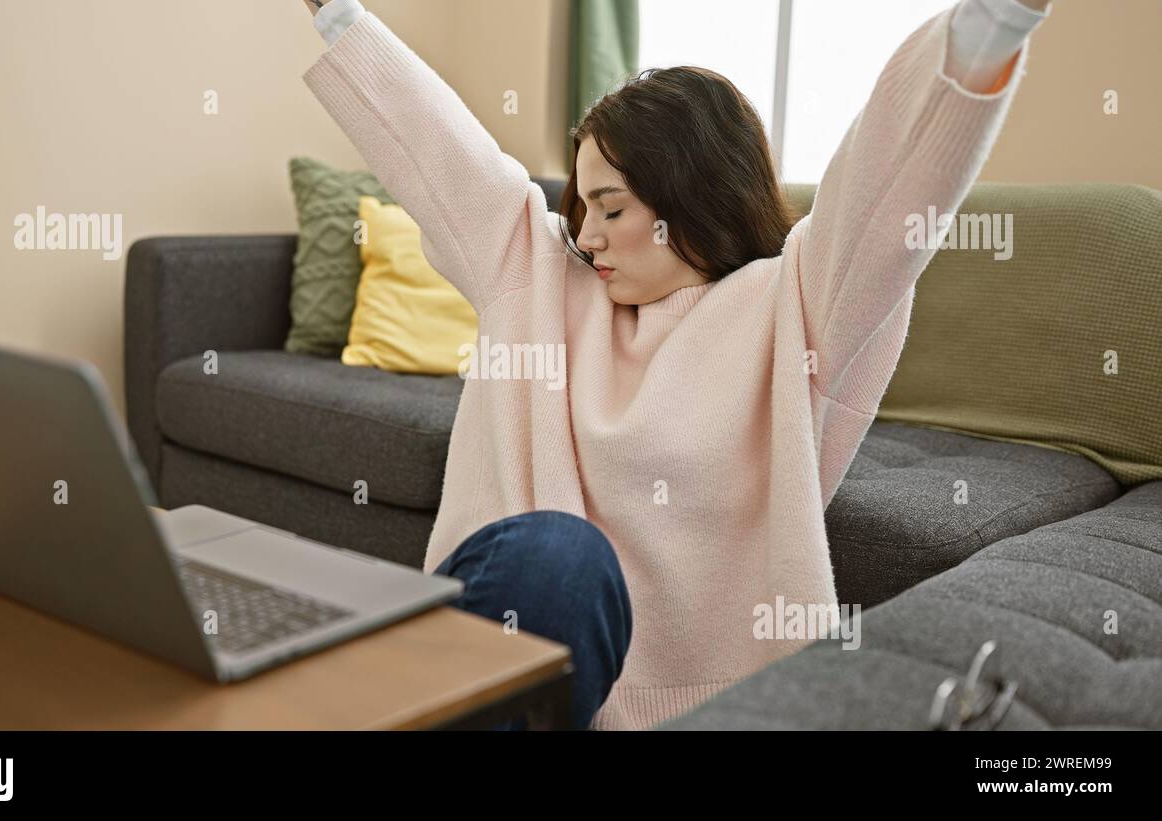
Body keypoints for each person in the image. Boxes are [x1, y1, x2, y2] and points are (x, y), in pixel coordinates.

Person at [299, 0, 1052, 730]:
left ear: (688, 196)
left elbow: (888, 185)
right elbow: (436, 144)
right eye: (580, 205)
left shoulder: (795, 307)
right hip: (511, 681)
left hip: (716, 712)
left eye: (612, 207)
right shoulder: (531, 276)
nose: (586, 234)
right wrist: (337, 11)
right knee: (560, 556)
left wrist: (998, 18)